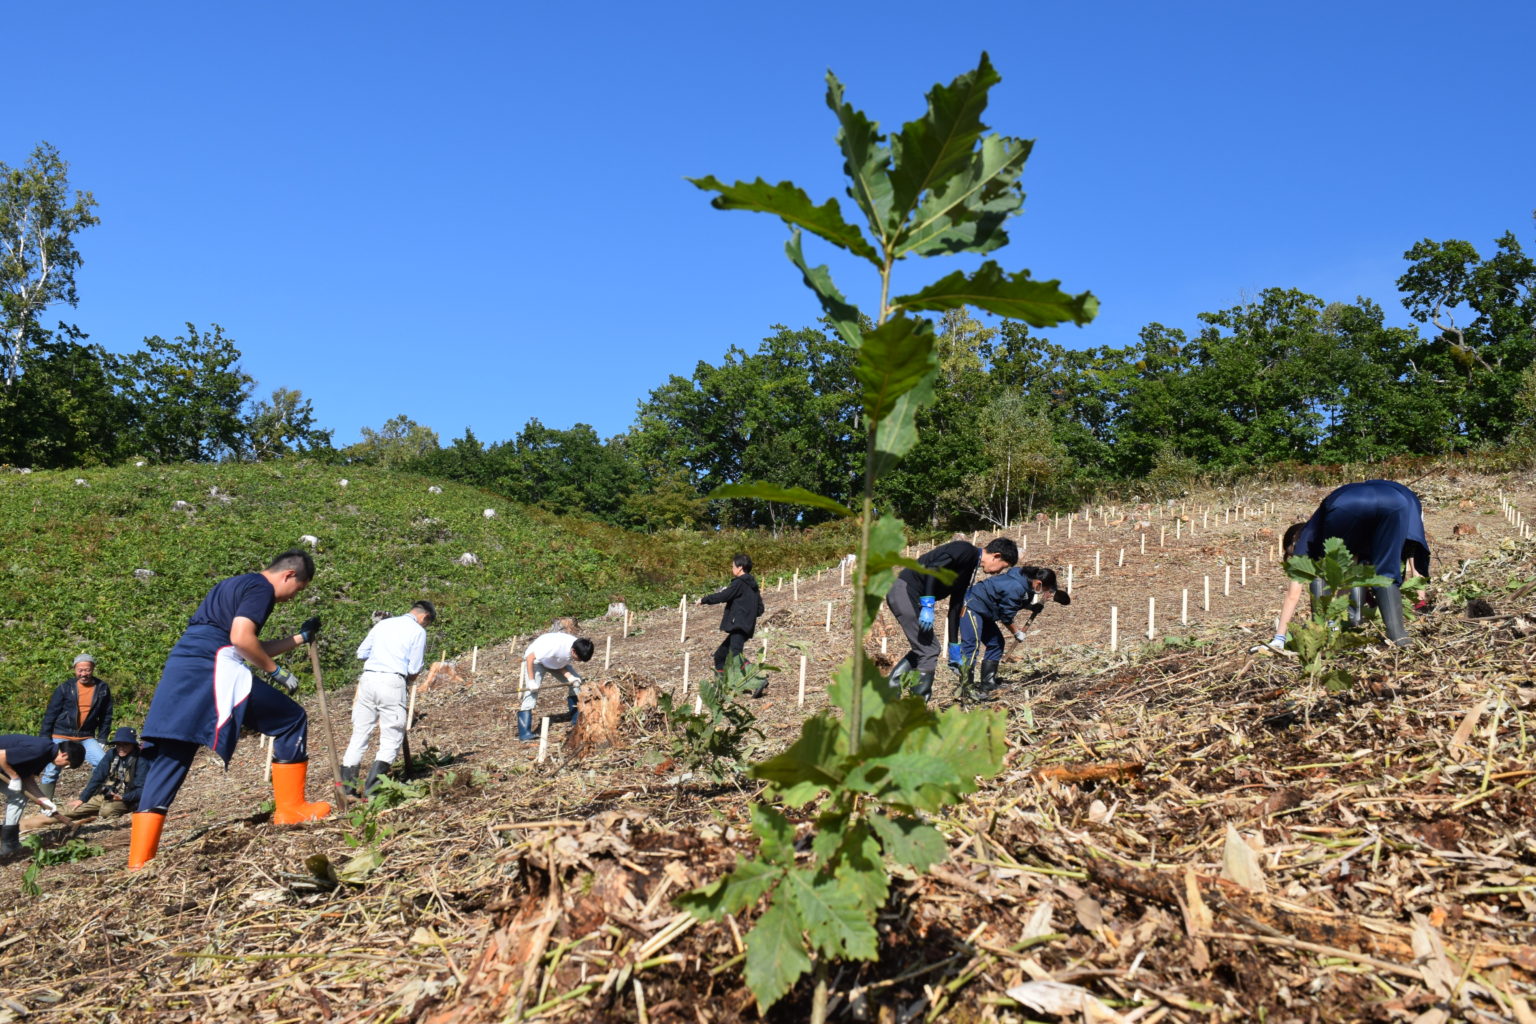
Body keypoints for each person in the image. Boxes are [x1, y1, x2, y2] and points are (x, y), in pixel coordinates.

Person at [129, 549, 327, 870]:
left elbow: (243, 639)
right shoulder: (261, 588)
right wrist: (277, 672)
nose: (293, 598)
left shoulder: (231, 584)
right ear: (289, 575)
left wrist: (299, 638)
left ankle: (139, 860)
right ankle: (291, 808)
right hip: (214, 665)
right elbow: (240, 639)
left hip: (183, 666)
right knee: (291, 719)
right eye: (299, 589)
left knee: (173, 752)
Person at [1269, 480, 1430, 649]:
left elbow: (1293, 595)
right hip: (1398, 500)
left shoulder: (1305, 539)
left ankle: (1324, 631)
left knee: (1324, 577)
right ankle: (1400, 639)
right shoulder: (1352, 535)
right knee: (1385, 573)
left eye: (1291, 553)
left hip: (1347, 503)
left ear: (1295, 540)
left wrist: (1279, 637)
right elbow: (1348, 577)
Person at [885, 537, 1018, 700]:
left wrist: (954, 645)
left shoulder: (968, 569)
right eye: (1002, 567)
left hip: (909, 594)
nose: (998, 572)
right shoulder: (964, 549)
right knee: (929, 650)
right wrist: (928, 604)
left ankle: (890, 693)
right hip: (905, 590)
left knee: (926, 648)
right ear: (996, 556)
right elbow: (933, 568)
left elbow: (955, 607)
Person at [341, 601, 435, 796]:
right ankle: (372, 790)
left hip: (368, 679)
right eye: (427, 623)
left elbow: (361, 653)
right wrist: (407, 680)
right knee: (392, 737)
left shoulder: (383, 624)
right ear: (424, 617)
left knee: (360, 733)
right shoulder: (418, 632)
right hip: (393, 680)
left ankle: (347, 791)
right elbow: (414, 668)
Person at [956, 565, 1070, 697]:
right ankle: (967, 689)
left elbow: (1016, 600)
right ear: (1039, 583)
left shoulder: (1027, 582)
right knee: (972, 645)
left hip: (986, 609)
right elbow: (1006, 616)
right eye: (1044, 589)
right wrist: (1016, 632)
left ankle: (988, 683)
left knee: (996, 643)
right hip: (971, 605)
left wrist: (1031, 607)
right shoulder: (1016, 586)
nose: (1043, 592)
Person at [37, 654, 113, 801]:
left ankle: (88, 799)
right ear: (74, 669)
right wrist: (45, 738)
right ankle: (45, 806)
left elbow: (106, 715)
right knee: (52, 770)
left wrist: (102, 737)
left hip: (86, 736)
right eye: (80, 670)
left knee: (102, 762)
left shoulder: (102, 688)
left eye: (87, 670)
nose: (83, 673)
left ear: (93, 669)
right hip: (62, 733)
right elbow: (51, 713)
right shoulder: (65, 688)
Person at [0, 737, 82, 858]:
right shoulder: (39, 750)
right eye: (67, 764)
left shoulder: (46, 755)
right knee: (18, 796)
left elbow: (29, 779)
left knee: (19, 796)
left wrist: (45, 801)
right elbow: (1, 755)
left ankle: (9, 840)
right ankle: (8, 841)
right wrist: (15, 777)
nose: (64, 767)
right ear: (64, 755)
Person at [698, 553, 765, 687]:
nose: (732, 569)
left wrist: (704, 600)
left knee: (736, 655)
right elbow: (760, 608)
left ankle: (758, 681)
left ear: (740, 567)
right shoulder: (752, 585)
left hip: (738, 625)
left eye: (733, 566)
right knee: (720, 655)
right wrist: (748, 615)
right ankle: (723, 685)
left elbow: (724, 595)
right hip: (746, 626)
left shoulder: (740, 583)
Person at [519, 631, 594, 741]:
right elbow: (530, 658)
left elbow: (558, 662)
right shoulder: (553, 647)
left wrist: (570, 677)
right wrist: (531, 681)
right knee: (531, 693)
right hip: (536, 661)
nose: (579, 661)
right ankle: (524, 733)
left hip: (550, 660)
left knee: (576, 685)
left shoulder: (578, 646)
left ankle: (576, 718)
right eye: (579, 659)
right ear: (573, 652)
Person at [61, 727, 142, 821]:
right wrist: (83, 798)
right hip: (109, 794)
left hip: (127, 798)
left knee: (106, 812)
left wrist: (123, 797)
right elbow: (97, 776)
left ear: (133, 745)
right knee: (73, 809)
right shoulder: (112, 754)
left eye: (125, 744)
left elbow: (141, 790)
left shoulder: (140, 759)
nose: (121, 748)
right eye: (118, 745)